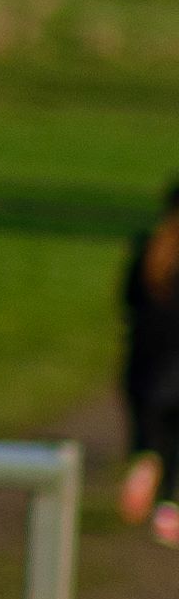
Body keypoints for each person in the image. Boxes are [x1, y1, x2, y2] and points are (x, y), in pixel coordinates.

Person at [113, 180, 179, 547]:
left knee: (150, 429)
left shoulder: (149, 249)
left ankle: (144, 460)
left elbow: (127, 301)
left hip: (143, 360)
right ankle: (168, 507)